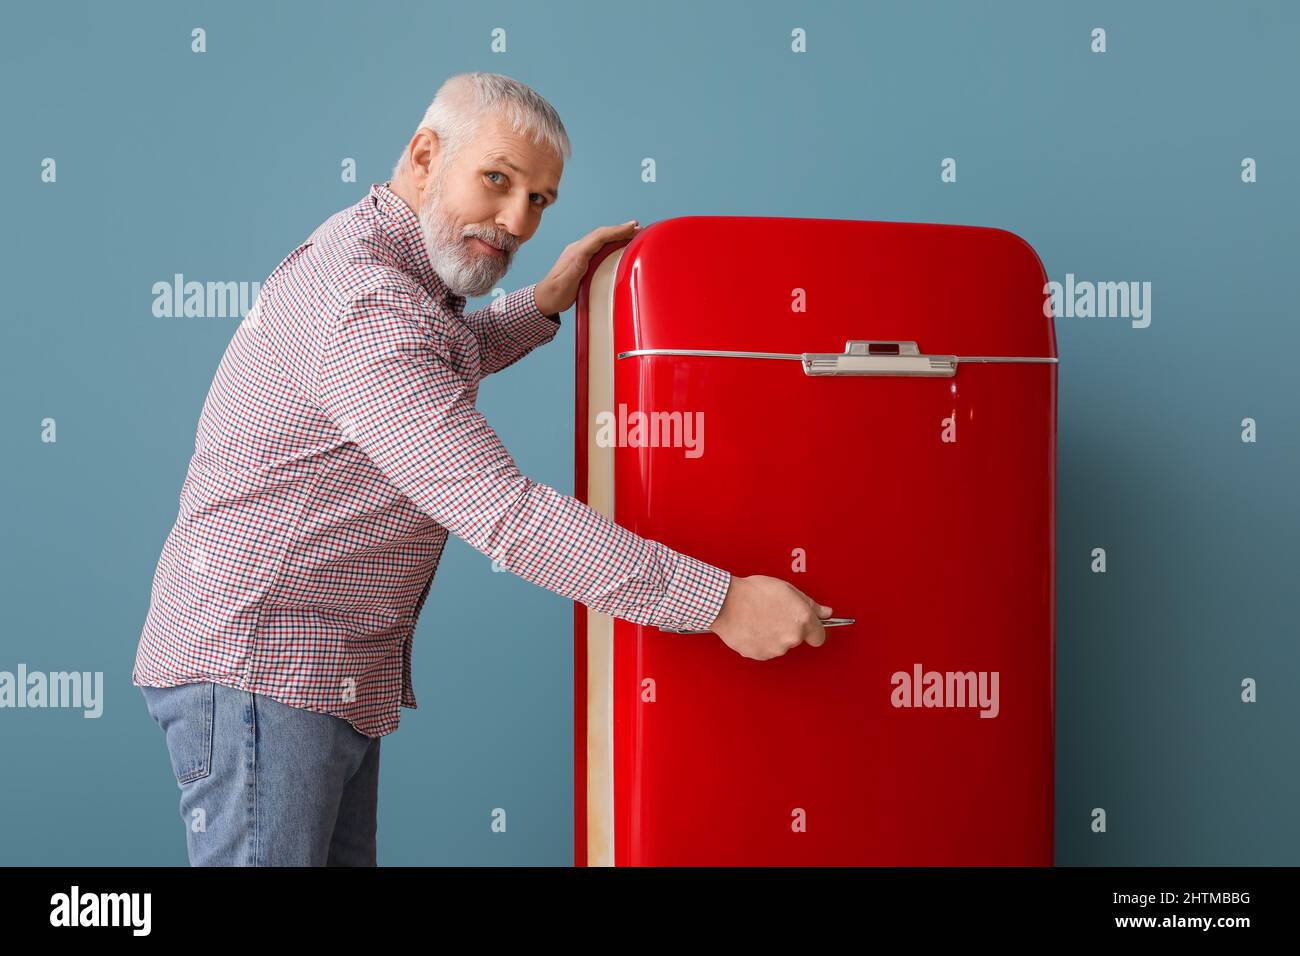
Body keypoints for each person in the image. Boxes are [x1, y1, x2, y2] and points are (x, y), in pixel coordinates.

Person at [134, 71, 834, 866]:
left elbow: (436, 361)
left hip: (309, 671)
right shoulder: (369, 304)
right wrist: (719, 603)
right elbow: (503, 513)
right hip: (264, 671)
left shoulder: (398, 279)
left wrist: (544, 301)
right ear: (426, 154)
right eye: (497, 181)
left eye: (538, 200)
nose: (515, 220)